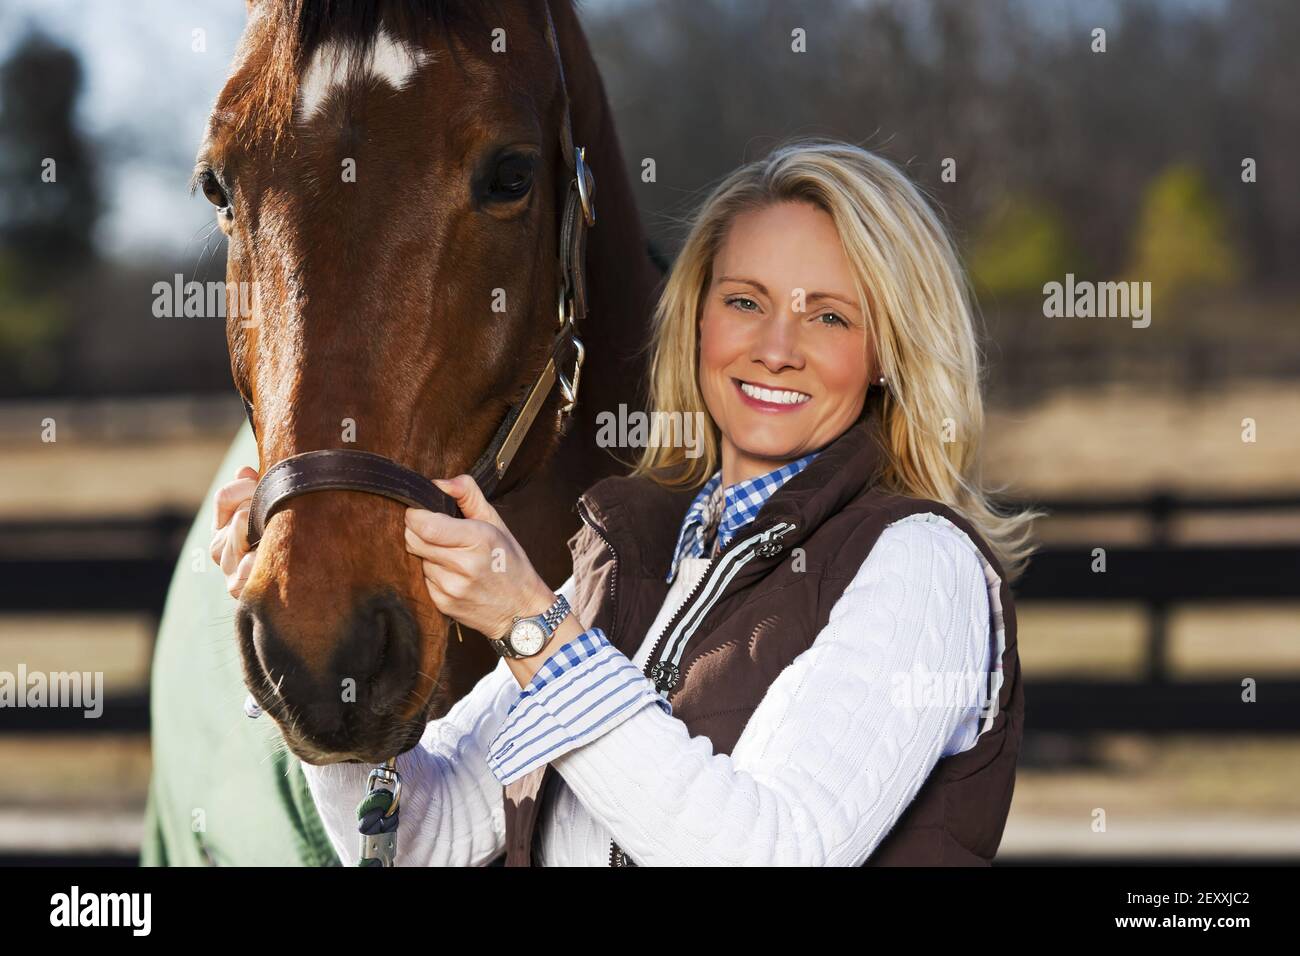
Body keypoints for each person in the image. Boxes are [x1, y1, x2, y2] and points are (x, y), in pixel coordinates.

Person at [211, 139, 1039, 866]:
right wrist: (310, 661)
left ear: (887, 352)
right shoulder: (626, 561)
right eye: (745, 302)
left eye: (828, 316)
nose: (777, 349)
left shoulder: (922, 564)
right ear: (698, 324)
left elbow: (770, 853)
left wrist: (530, 626)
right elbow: (420, 837)